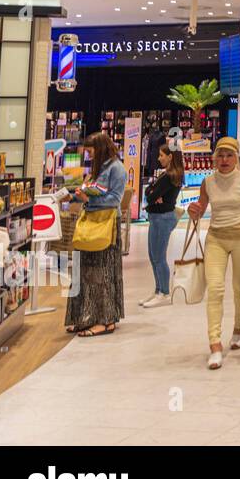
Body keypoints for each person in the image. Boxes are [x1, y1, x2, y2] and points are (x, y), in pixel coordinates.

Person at [187, 137, 240, 370]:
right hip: (216, 238)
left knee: (238, 287)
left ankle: (237, 329)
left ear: (236, 158)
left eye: (229, 155)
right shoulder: (207, 182)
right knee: (214, 288)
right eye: (220, 155)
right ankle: (215, 345)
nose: (224, 160)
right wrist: (192, 211)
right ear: (214, 158)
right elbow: (200, 211)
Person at [64, 132, 127, 338]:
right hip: (90, 223)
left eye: (91, 151)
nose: (89, 156)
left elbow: (115, 199)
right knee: (83, 272)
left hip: (106, 225)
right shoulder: (99, 169)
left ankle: (105, 320)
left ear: (99, 149)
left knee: (103, 273)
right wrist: (72, 195)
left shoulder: (116, 168)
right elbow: (91, 192)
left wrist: (88, 200)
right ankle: (84, 317)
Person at [139, 144, 184, 308]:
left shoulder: (169, 176)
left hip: (162, 218)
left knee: (158, 257)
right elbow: (149, 193)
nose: (159, 159)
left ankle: (164, 292)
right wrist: (152, 192)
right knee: (154, 256)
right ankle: (158, 290)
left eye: (161, 155)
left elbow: (151, 197)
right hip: (157, 217)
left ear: (170, 156)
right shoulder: (168, 175)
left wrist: (153, 193)